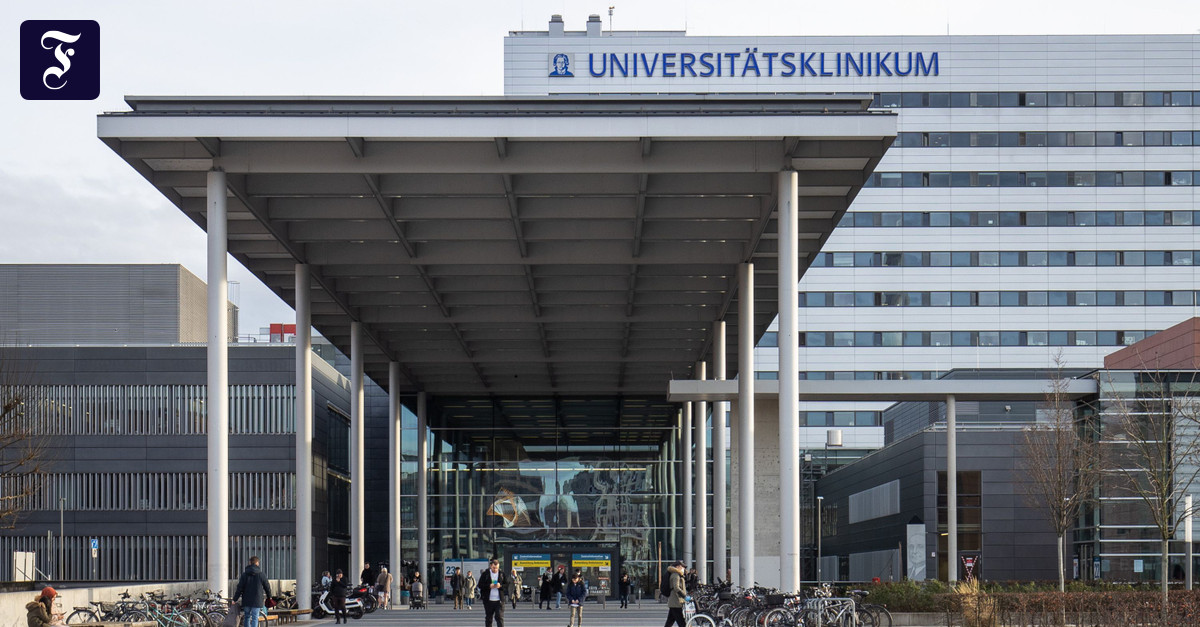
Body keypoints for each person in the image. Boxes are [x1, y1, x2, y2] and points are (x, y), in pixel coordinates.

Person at [232, 556, 272, 627]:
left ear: (249, 563)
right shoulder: (261, 574)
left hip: (246, 600)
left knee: (247, 616)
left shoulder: (244, 575)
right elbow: (267, 586)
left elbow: (239, 588)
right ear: (257, 563)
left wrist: (235, 599)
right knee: (255, 617)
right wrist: (269, 596)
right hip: (257, 599)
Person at [478, 558, 511, 627]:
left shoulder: (502, 574)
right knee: (489, 618)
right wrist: (489, 586)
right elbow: (480, 585)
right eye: (493, 568)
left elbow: (507, 584)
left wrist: (500, 586)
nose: (495, 570)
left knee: (499, 617)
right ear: (490, 566)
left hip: (499, 600)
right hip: (488, 600)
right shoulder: (485, 574)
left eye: (497, 568)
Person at [663, 560, 688, 627]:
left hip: (675, 601)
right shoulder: (675, 575)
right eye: (682, 567)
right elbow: (676, 587)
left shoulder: (677, 574)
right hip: (676, 601)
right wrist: (684, 596)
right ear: (677, 566)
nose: (683, 568)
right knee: (681, 622)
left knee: (670, 622)